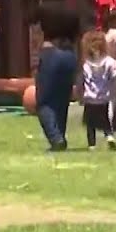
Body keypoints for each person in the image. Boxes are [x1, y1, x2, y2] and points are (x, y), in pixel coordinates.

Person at [34, 21, 78, 152]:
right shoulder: (71, 11)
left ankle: (56, 138)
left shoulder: (44, 11)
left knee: (43, 103)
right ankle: (60, 137)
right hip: (70, 55)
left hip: (51, 53)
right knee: (62, 101)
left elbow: (36, 32)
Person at [79, 29, 116, 150]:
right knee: (104, 119)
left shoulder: (86, 64)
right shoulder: (109, 62)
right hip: (104, 96)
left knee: (90, 123)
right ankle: (109, 135)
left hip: (89, 97)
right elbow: (115, 76)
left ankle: (92, 144)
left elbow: (81, 81)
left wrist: (79, 95)